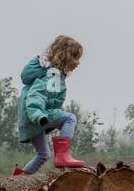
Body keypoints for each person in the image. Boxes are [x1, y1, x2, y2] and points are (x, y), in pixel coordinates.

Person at [13, 35, 87, 174]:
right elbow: (36, 95)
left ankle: (20, 179)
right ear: (67, 56)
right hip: (36, 115)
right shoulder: (53, 75)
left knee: (43, 154)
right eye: (76, 58)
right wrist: (38, 114)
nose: (78, 63)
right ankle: (62, 156)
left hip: (30, 117)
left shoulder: (51, 72)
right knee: (70, 118)